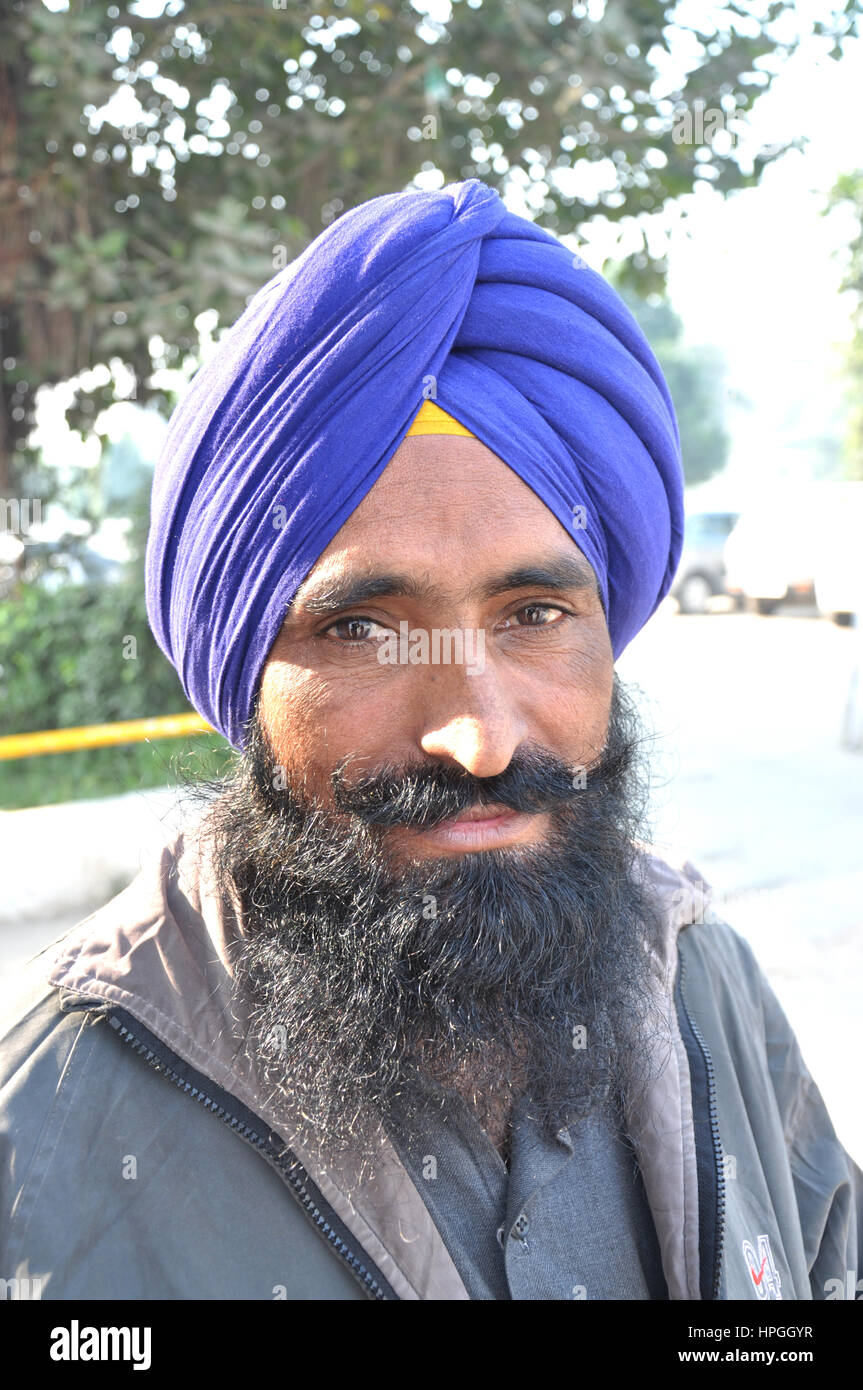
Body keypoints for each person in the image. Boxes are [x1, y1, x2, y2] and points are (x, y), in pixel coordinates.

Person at [1, 180, 859, 1301]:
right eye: (359, 628)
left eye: (535, 616)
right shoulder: (51, 1138)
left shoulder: (701, 981)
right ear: (243, 675)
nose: (480, 737)